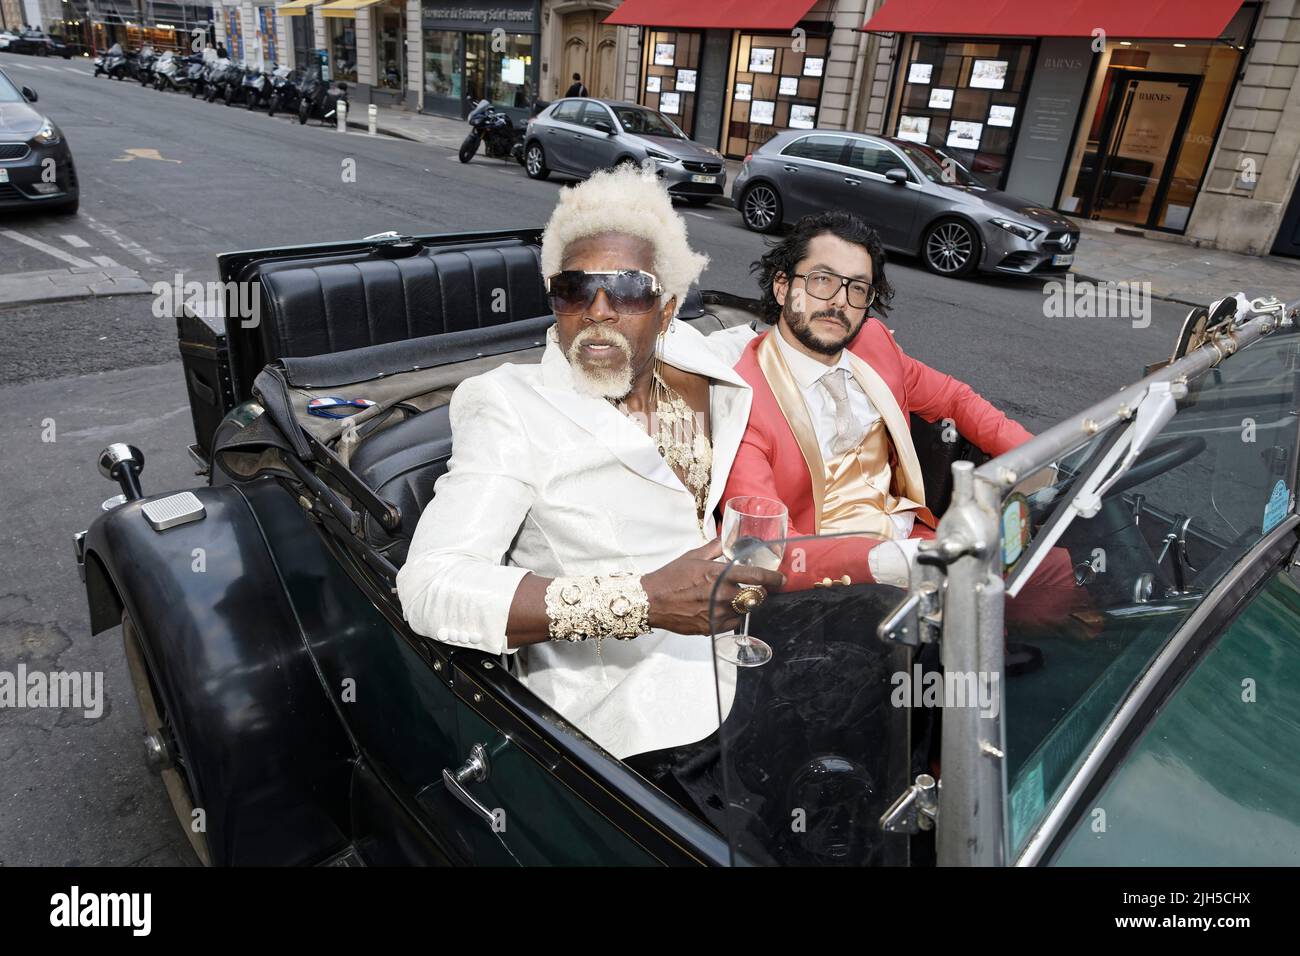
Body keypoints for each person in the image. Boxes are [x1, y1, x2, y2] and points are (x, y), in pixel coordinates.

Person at [396, 164, 781, 761]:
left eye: (629, 288)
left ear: (667, 308)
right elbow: (431, 585)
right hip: (630, 719)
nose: (599, 310)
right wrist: (642, 600)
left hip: (740, 657)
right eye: (575, 289)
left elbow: (759, 343)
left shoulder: (693, 367)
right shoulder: (508, 405)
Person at [723, 209, 1079, 623]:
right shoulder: (744, 395)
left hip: (920, 540)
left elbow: (955, 398)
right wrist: (890, 560)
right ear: (783, 287)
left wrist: (1037, 460)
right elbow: (764, 545)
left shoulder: (873, 344)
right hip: (838, 587)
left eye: (857, 288)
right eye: (822, 280)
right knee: (1035, 585)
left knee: (1058, 563)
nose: (839, 301)